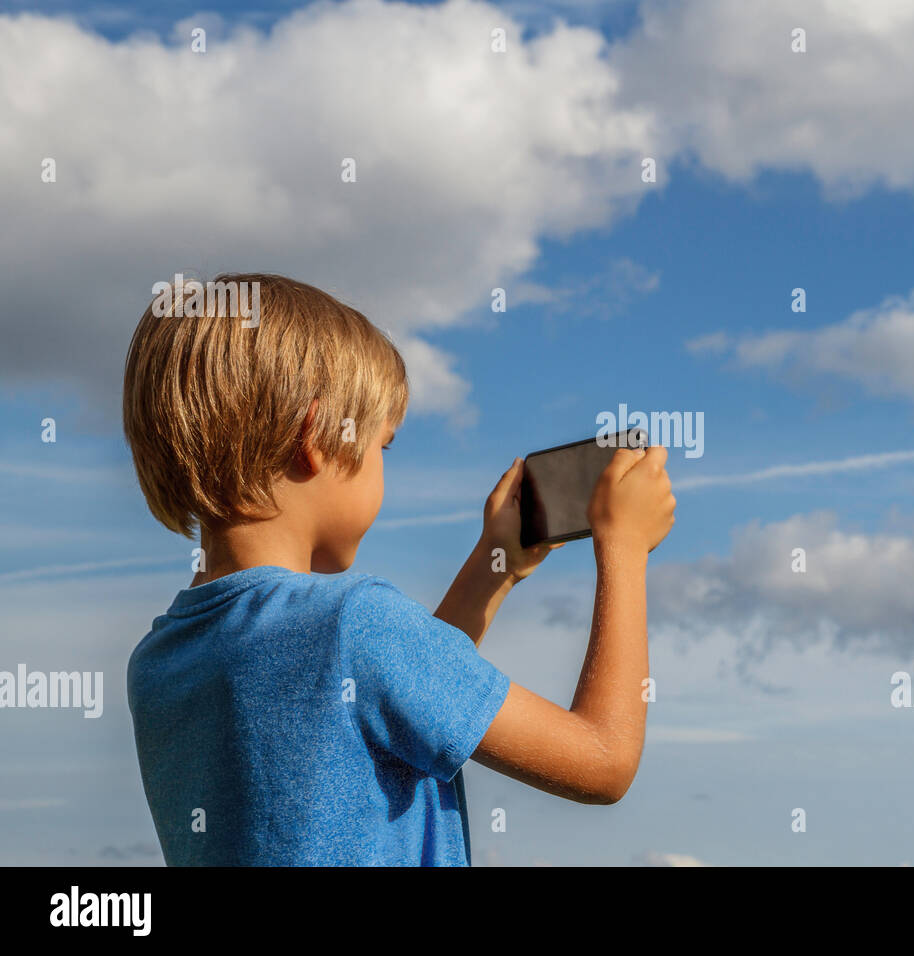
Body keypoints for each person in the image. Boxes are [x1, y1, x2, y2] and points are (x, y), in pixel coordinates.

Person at [123, 273, 675, 865]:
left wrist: (496, 566)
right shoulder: (352, 624)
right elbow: (603, 761)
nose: (383, 466)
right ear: (315, 436)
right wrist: (623, 547)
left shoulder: (158, 662)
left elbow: (390, 697)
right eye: (381, 447)